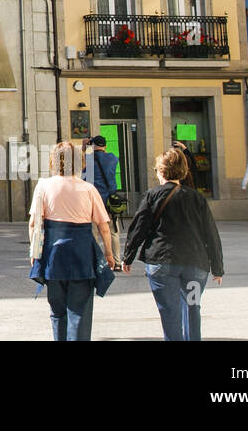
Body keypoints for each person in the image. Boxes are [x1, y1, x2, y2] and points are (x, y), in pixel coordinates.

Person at [122, 147, 224, 341]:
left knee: (169, 312)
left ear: (161, 171)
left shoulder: (153, 195)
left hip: (162, 264)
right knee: (192, 308)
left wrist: (128, 257)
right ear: (184, 171)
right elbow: (211, 234)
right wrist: (218, 268)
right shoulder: (197, 198)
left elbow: (138, 229)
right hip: (195, 265)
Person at [30, 141, 115, 341]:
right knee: (79, 312)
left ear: (54, 161)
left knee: (57, 311)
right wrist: (109, 254)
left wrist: (34, 254)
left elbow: (34, 223)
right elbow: (103, 226)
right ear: (80, 162)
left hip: (53, 256)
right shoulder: (87, 189)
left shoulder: (43, 186)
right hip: (81, 254)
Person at [82, 135, 119, 208]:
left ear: (93, 145)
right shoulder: (113, 158)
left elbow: (82, 174)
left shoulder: (89, 158)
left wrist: (84, 148)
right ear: (105, 146)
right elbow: (104, 154)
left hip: (94, 195)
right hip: (108, 195)